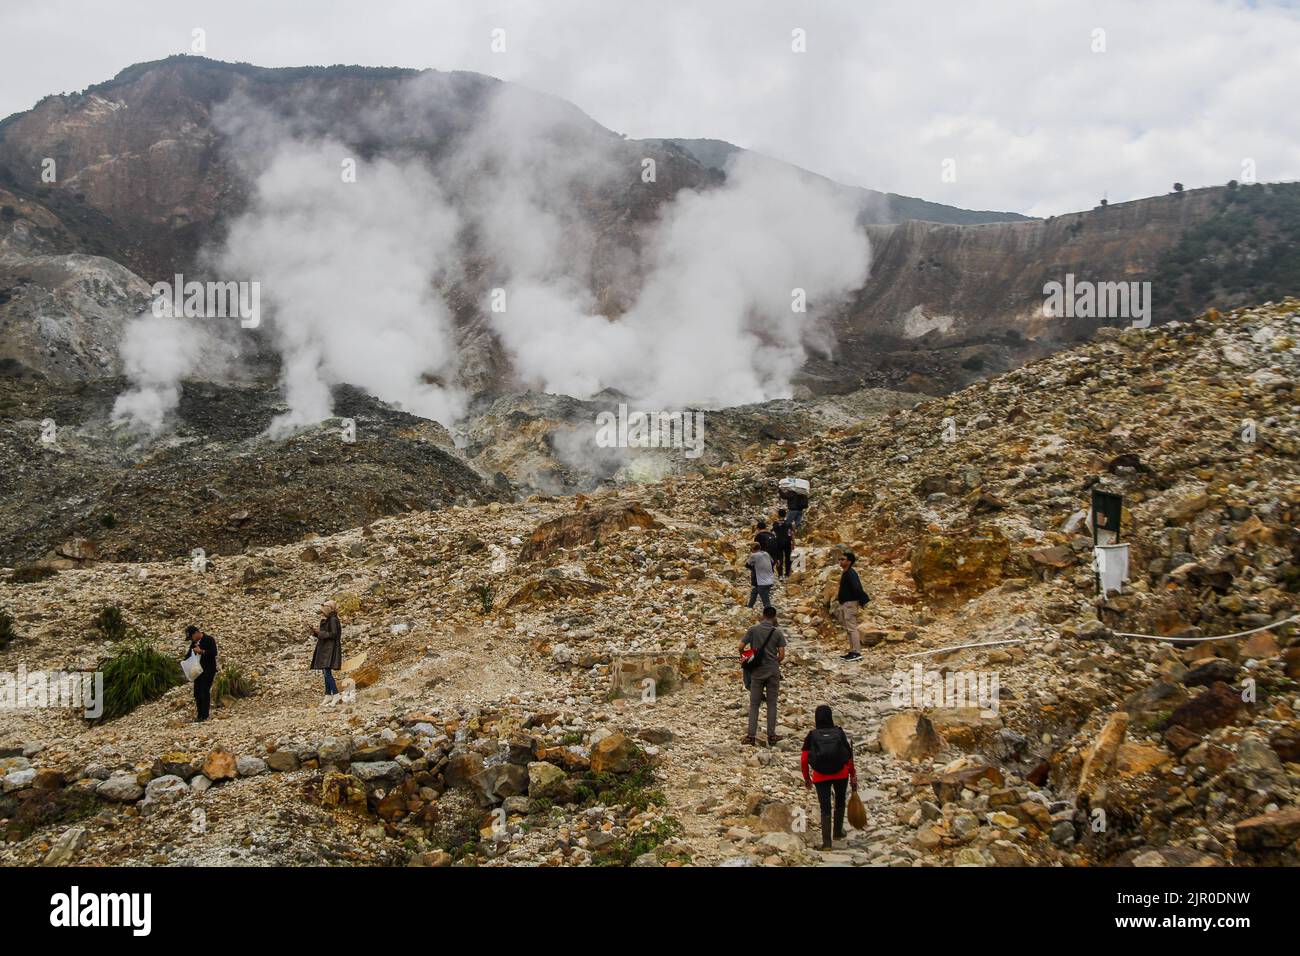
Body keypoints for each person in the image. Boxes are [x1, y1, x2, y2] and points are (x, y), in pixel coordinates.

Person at [801, 704, 858, 849]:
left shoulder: (812, 735)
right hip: (841, 774)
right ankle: (838, 832)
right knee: (840, 801)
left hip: (820, 776)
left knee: (825, 807)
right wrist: (852, 775)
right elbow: (848, 755)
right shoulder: (838, 732)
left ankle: (827, 843)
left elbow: (804, 758)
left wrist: (807, 778)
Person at [739, 606, 786, 746]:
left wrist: (749, 656)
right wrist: (773, 662)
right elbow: (782, 656)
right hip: (772, 671)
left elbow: (740, 647)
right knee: (772, 703)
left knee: (754, 704)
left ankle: (751, 736)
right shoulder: (777, 632)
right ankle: (771, 735)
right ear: (774, 616)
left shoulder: (753, 630)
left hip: (757, 672)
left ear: (763, 615)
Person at [836, 551, 871, 661]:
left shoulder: (851, 574)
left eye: (843, 559)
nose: (840, 561)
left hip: (850, 604)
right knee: (848, 628)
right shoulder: (846, 573)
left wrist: (862, 600)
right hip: (846, 603)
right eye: (840, 559)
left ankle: (856, 652)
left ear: (849, 561)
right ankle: (852, 651)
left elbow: (857, 588)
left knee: (852, 628)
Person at [184, 624, 218, 722]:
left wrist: (201, 651)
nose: (192, 640)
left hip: (208, 671)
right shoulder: (193, 644)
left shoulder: (209, 639)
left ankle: (205, 715)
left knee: (204, 692)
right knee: (197, 693)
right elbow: (187, 656)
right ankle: (200, 715)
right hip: (197, 672)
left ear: (196, 633)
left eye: (192, 637)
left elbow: (214, 653)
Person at [311, 600, 343, 696]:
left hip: (330, 650)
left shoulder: (333, 619)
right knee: (325, 673)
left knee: (327, 673)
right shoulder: (330, 619)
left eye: (323, 611)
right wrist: (316, 633)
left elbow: (333, 634)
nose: (322, 613)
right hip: (327, 649)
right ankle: (328, 695)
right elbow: (327, 634)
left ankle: (336, 694)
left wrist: (319, 632)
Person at [745, 541, 775, 610]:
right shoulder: (766, 553)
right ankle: (749, 606)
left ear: (752, 549)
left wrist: (755, 568)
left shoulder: (754, 555)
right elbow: (772, 562)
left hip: (762, 582)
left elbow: (747, 565)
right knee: (754, 591)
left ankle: (770, 615)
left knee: (766, 602)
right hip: (769, 579)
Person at [772, 508, 795, 578]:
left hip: (778, 543)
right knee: (788, 558)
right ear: (785, 515)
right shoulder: (788, 523)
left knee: (779, 558)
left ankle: (780, 574)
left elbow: (773, 534)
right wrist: (793, 543)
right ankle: (787, 573)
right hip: (787, 542)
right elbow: (791, 533)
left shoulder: (775, 524)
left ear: (778, 515)